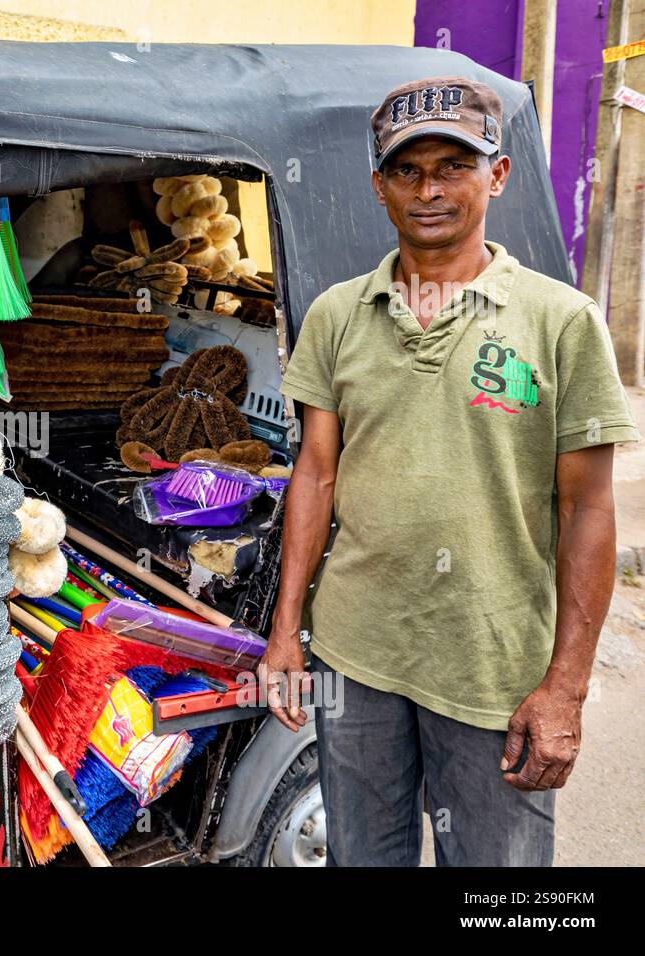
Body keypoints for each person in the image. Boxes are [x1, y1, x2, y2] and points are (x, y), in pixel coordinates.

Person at [264, 76, 639, 866]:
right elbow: (316, 477)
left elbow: (590, 513)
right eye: (407, 171)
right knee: (364, 856)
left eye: (454, 166)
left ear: (496, 175)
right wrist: (286, 630)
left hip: (493, 667)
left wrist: (565, 688)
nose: (429, 190)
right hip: (357, 655)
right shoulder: (337, 314)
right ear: (379, 187)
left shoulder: (560, 321)